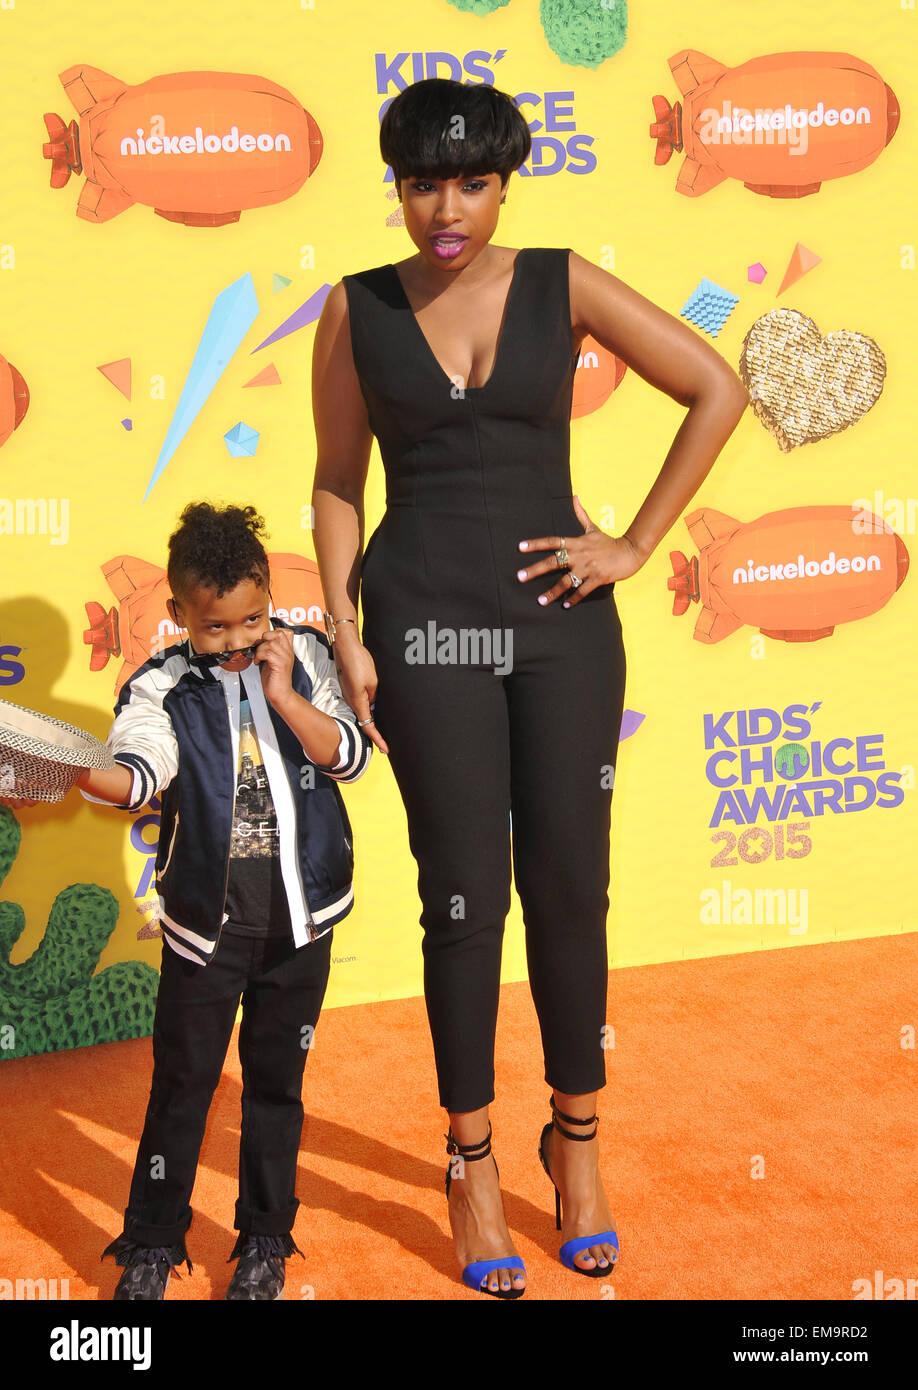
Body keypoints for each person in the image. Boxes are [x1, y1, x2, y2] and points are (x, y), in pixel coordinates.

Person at [310, 77, 748, 1298]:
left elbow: (719, 386)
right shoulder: (354, 310)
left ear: (506, 184)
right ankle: (472, 1163)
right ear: (395, 186)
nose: (444, 209)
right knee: (460, 898)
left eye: (471, 182)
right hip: (422, 630)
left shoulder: (567, 282)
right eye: (420, 182)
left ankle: (581, 1143)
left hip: (563, 632)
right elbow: (339, 480)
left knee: (569, 886)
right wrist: (345, 628)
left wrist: (635, 543)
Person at [3, 502, 372, 1299]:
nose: (238, 642)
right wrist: (66, 771)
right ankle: (151, 1241)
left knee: (276, 1085)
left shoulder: (308, 657)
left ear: (270, 600)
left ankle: (266, 1239)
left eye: (252, 620)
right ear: (177, 616)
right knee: (182, 1085)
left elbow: (347, 759)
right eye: (215, 629)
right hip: (205, 925)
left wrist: (287, 696)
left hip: (301, 922)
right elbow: (139, 772)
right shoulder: (158, 685)